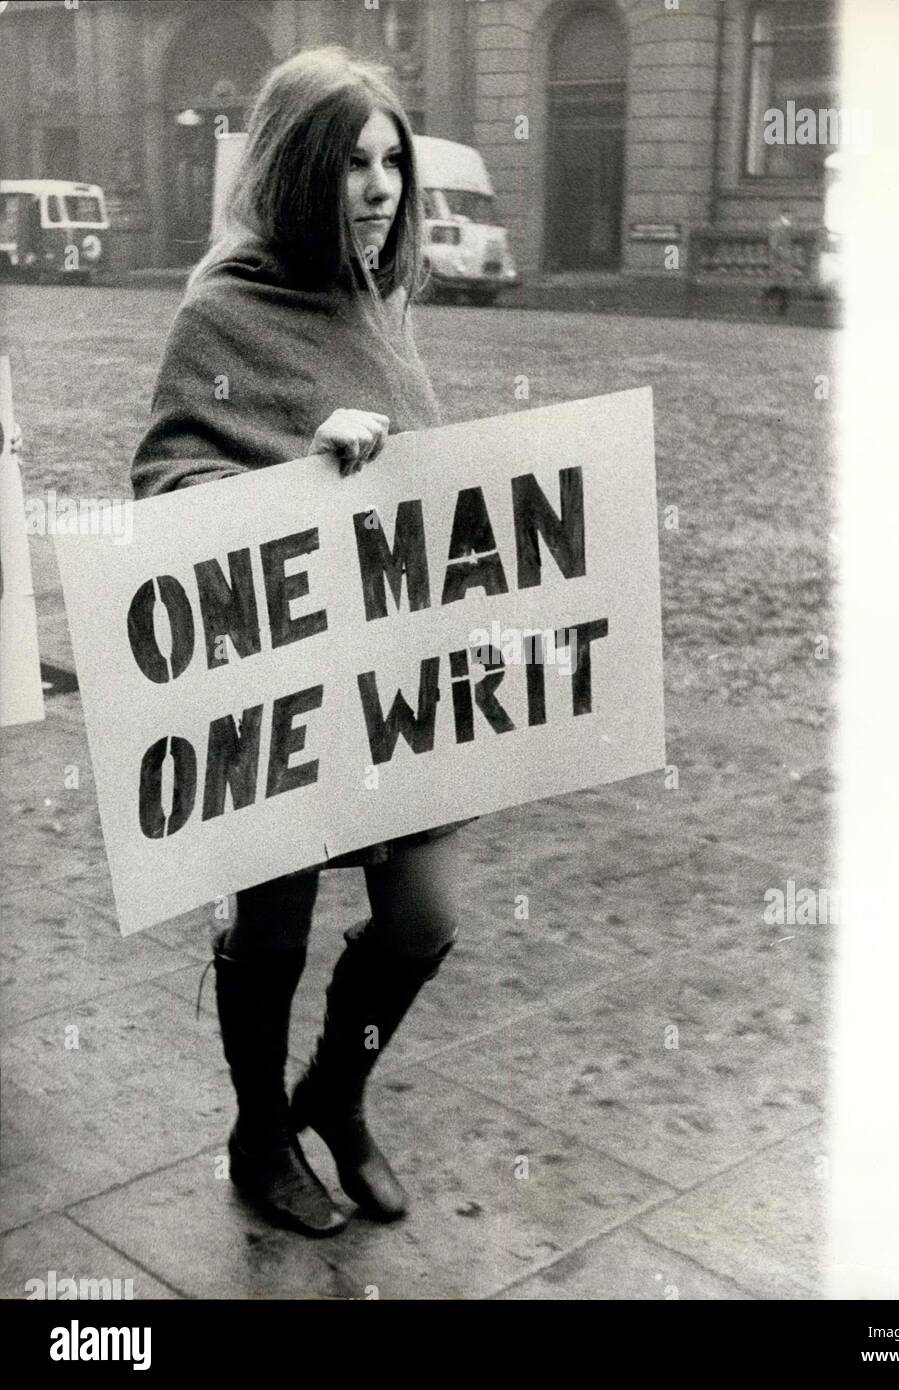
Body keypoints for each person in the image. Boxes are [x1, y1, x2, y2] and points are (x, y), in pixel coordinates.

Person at [131, 48, 465, 1238]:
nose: (377, 186)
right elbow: (165, 485)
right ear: (293, 173)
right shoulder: (221, 308)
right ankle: (260, 1131)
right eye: (349, 164)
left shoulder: (381, 299)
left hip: (382, 685)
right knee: (267, 930)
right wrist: (302, 461)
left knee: (421, 917)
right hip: (269, 683)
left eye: (391, 160)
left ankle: (339, 1088)